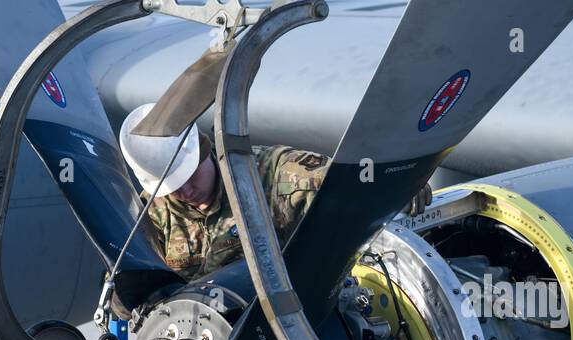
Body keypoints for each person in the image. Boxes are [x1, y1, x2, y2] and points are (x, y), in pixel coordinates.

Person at [119, 102, 431, 281]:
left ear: (204, 151)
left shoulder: (269, 174)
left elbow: (339, 182)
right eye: (174, 188)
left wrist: (395, 183)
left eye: (189, 176)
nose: (186, 190)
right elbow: (135, 282)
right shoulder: (155, 217)